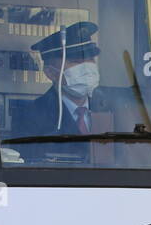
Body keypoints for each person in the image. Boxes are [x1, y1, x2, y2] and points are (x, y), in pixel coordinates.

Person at [8, 21, 142, 164]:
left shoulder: (120, 104)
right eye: (76, 61)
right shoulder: (30, 118)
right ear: (50, 73)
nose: (87, 68)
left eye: (90, 60)